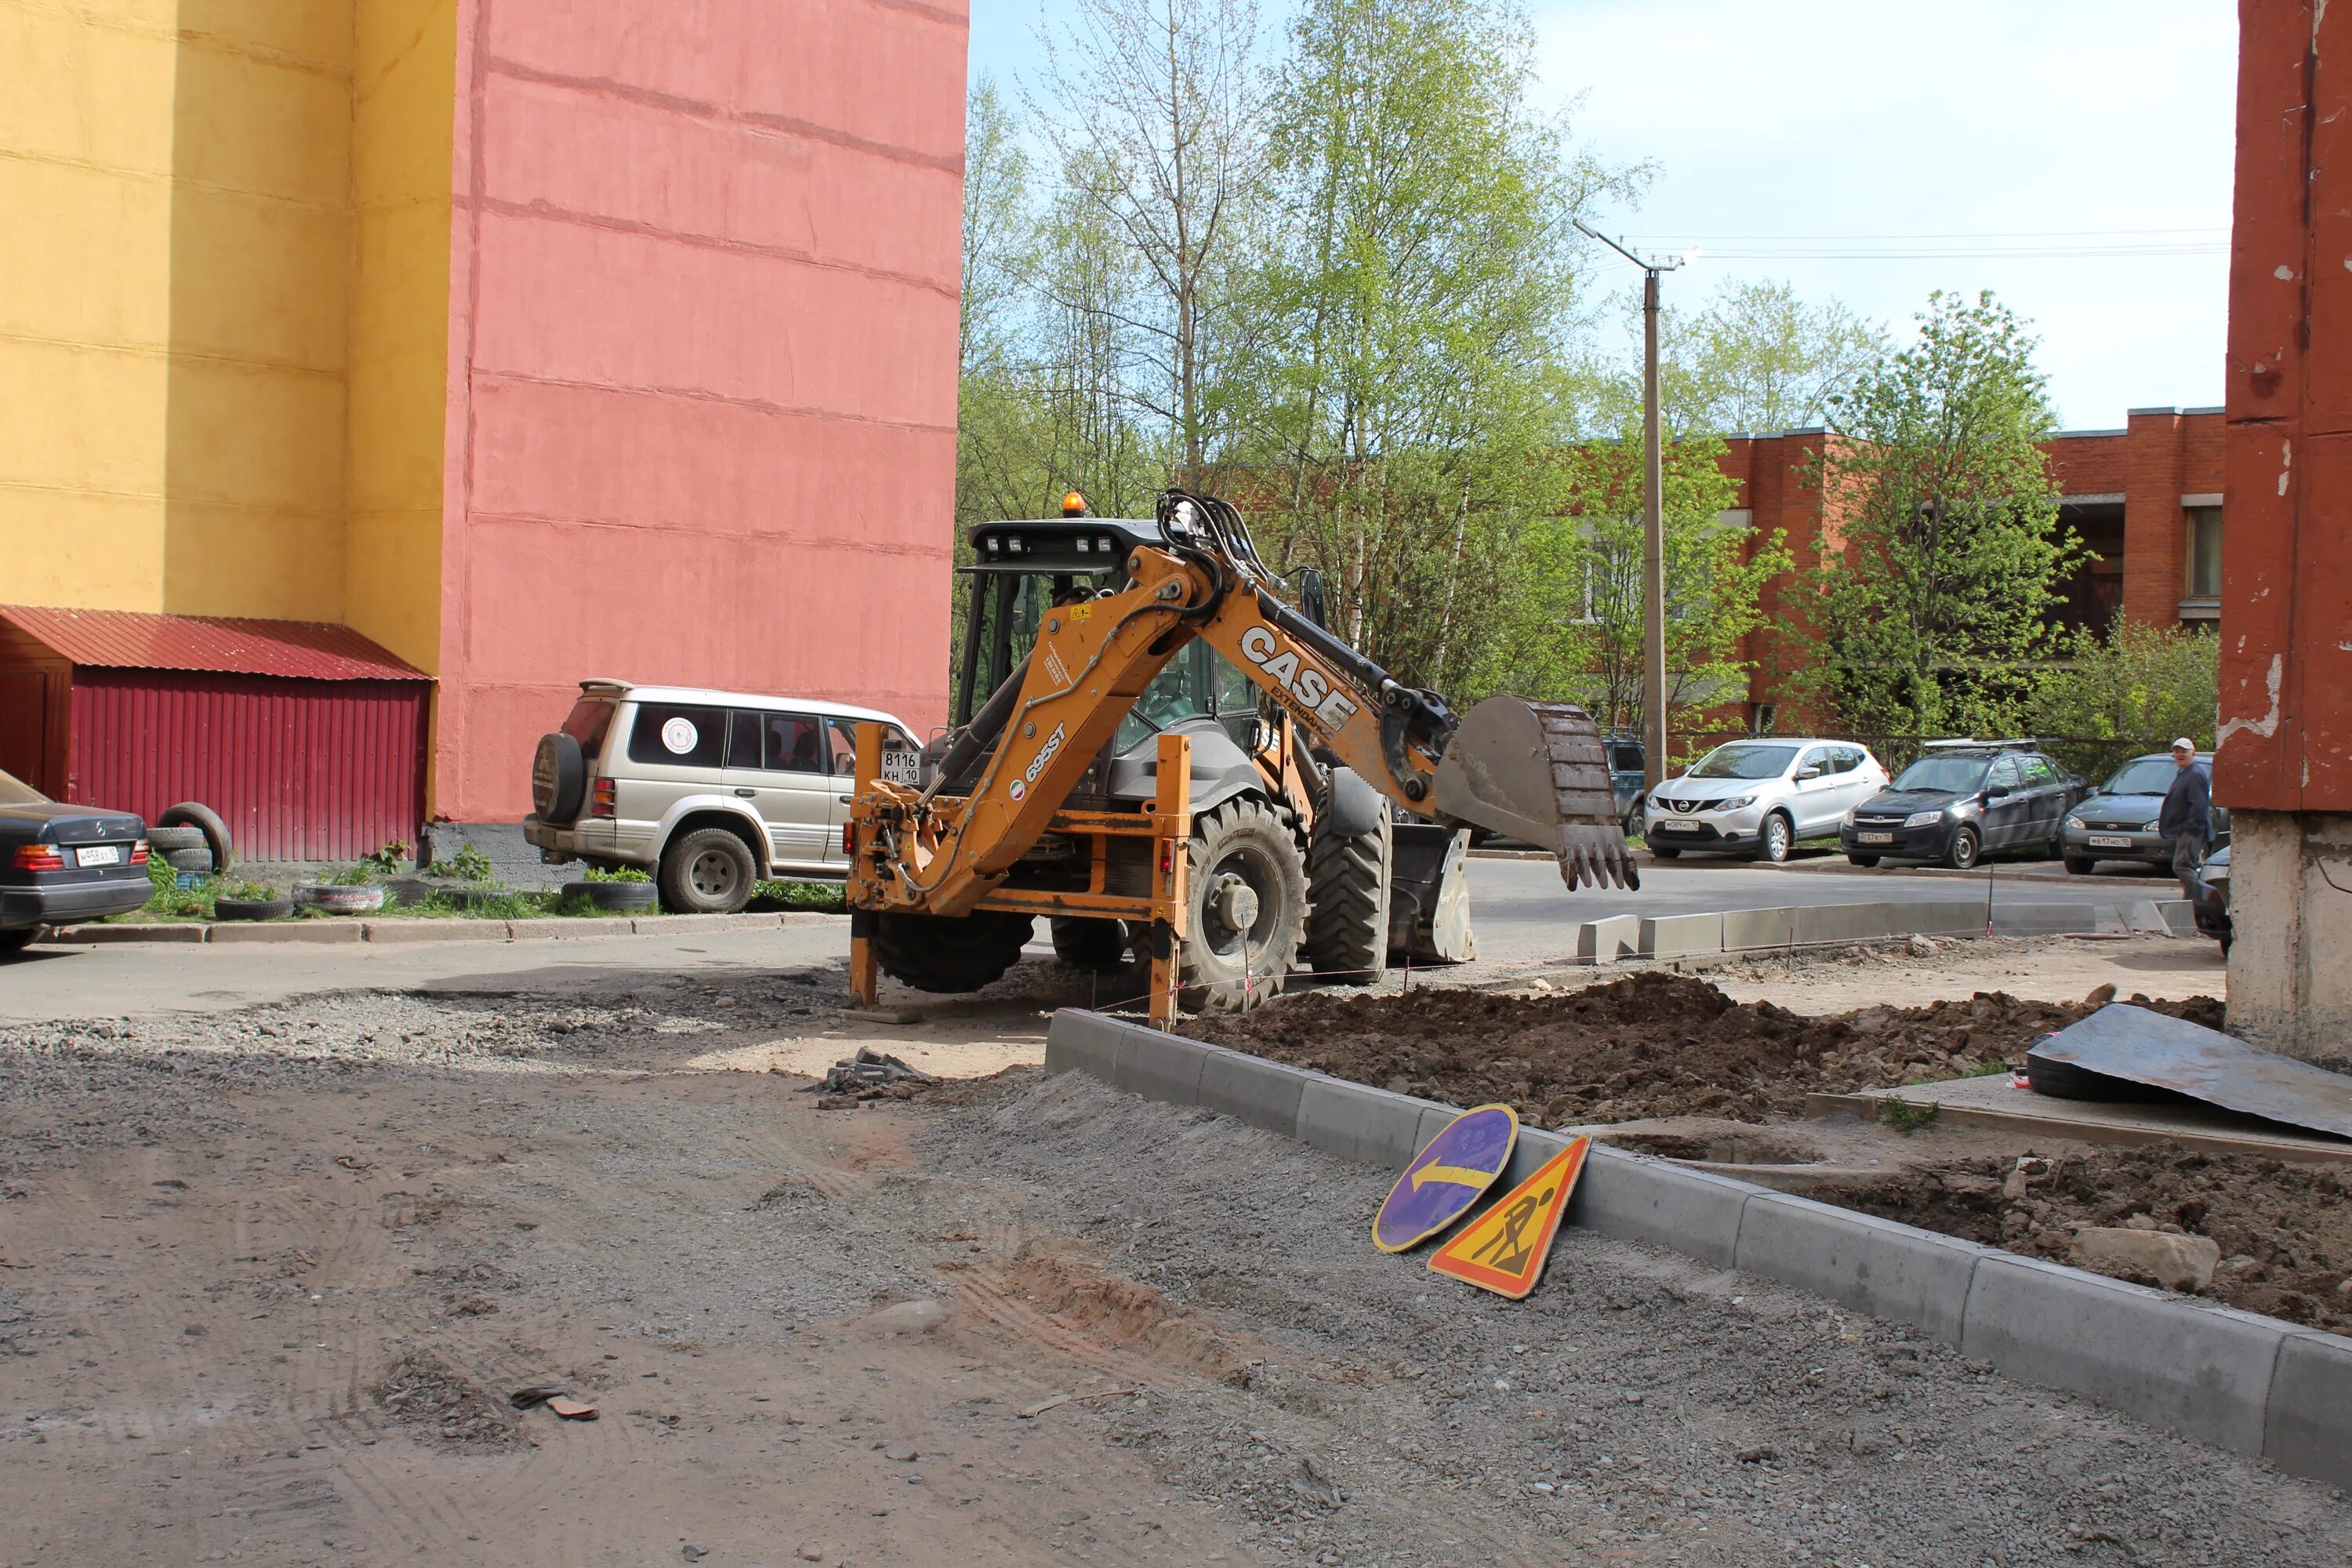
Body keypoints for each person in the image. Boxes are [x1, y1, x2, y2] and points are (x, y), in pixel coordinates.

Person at [2157, 737, 2213, 903]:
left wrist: (2187, 827)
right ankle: (2189, 905)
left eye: (2184, 751)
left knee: (2182, 866)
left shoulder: (2194, 774)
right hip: (2184, 830)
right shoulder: (2185, 773)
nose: (2180, 755)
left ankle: (2205, 900)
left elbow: (2199, 805)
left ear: (2193, 753)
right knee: (2184, 867)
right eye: (2177, 751)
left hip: (2191, 831)